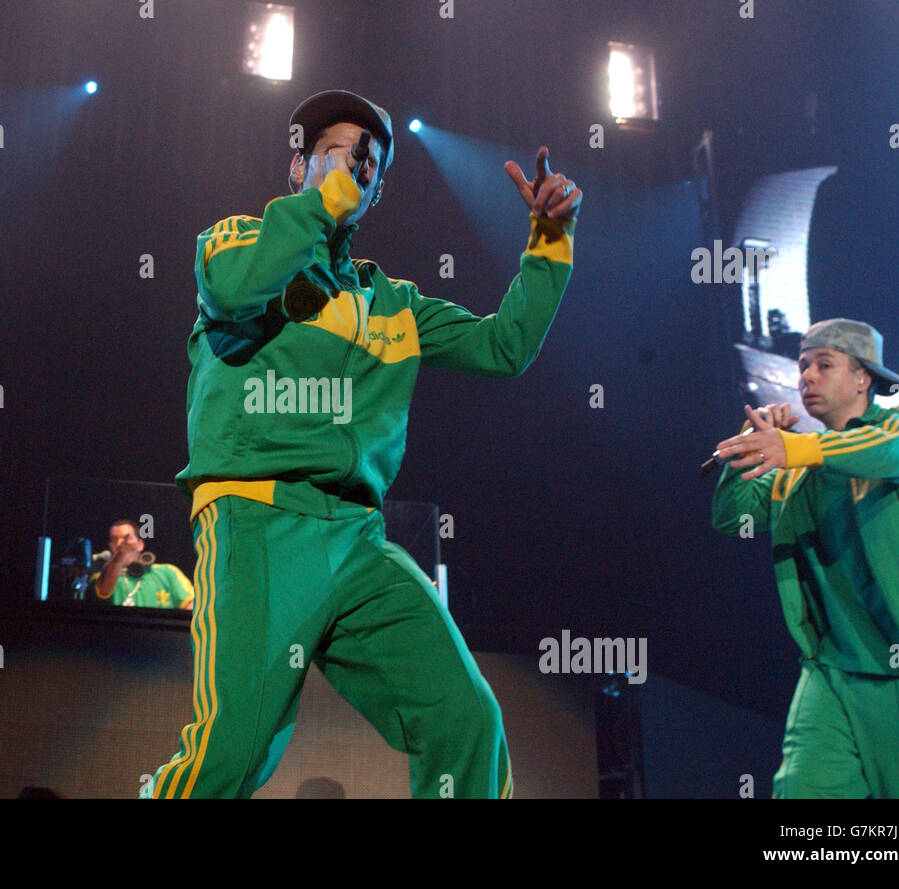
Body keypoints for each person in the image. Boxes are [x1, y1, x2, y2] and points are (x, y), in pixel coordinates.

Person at [144, 90, 581, 798]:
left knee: (466, 718)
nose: (356, 164)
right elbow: (234, 288)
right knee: (230, 754)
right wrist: (325, 204)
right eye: (335, 151)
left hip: (358, 540)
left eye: (368, 162)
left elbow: (506, 346)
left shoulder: (396, 305)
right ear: (297, 168)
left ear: (377, 193)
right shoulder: (235, 242)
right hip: (260, 522)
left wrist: (548, 240)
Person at [711, 318, 899, 798]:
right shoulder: (794, 470)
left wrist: (792, 446)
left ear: (863, 378)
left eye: (824, 365)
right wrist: (748, 445)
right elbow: (731, 517)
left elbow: (886, 451)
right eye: (802, 367)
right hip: (832, 670)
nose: (806, 378)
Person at [89, 518, 193, 609]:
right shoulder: (101, 575)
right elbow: (104, 589)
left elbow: (192, 606)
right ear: (110, 546)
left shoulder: (167, 572)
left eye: (127, 538)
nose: (120, 544)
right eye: (114, 540)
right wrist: (120, 555)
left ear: (140, 545)